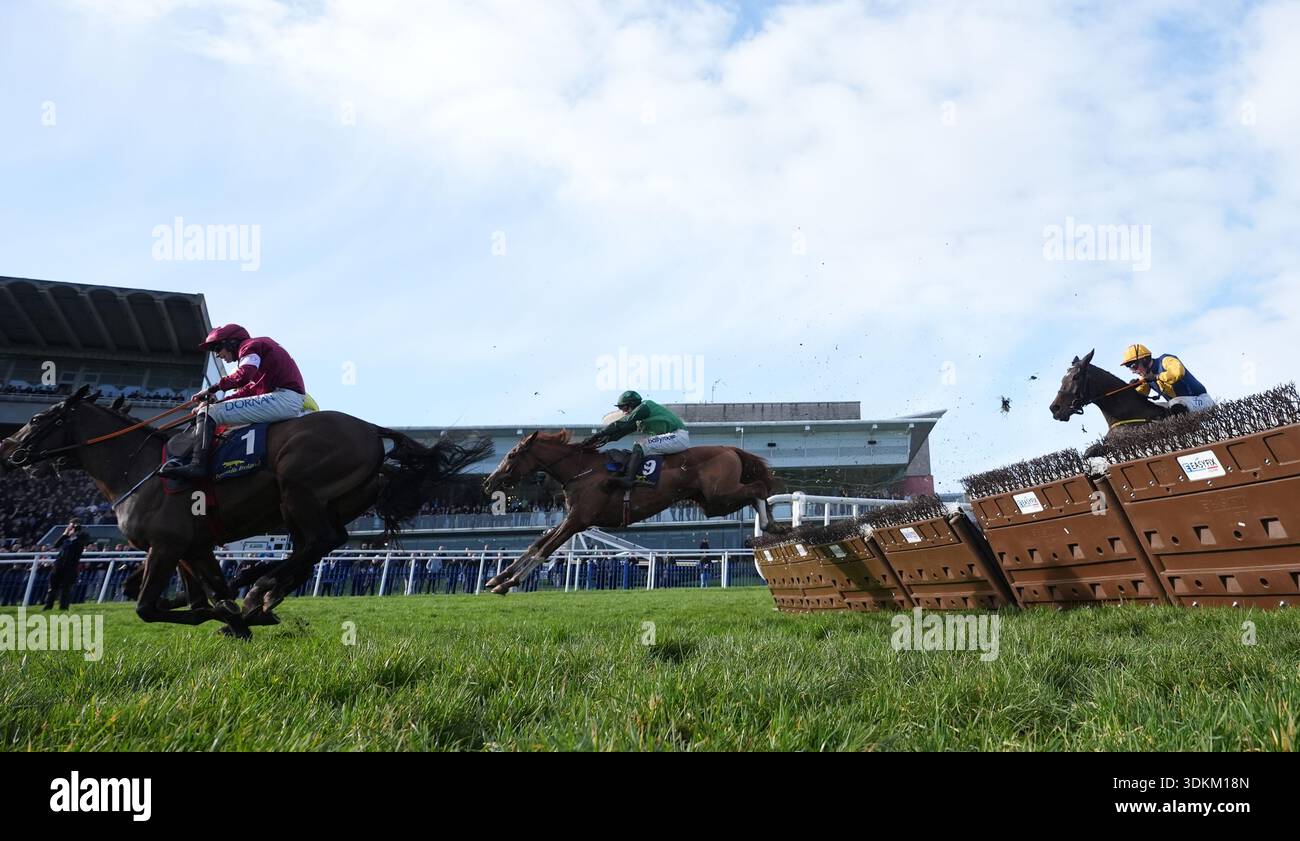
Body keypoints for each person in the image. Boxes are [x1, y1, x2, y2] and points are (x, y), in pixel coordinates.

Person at [160, 324, 317, 480]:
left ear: (231, 342)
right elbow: (248, 390)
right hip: (285, 398)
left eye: (217, 349)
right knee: (212, 409)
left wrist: (211, 390)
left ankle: (197, 465)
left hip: (284, 399)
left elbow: (243, 376)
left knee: (208, 413)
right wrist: (216, 402)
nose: (218, 355)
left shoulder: (249, 346)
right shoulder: (259, 350)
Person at [581, 391, 689, 489]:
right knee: (637, 450)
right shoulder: (639, 418)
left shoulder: (644, 407)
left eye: (624, 408)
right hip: (672, 437)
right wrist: (600, 441)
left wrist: (597, 435)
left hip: (678, 436)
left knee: (640, 445)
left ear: (631, 405)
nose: (623, 412)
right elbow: (621, 431)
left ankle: (629, 479)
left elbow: (620, 424)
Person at [1121, 343, 1215, 414]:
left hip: (1202, 401)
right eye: (1129, 368)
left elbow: (1177, 373)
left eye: (1133, 366)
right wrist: (1132, 389)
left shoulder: (1166, 360)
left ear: (1144, 360)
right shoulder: (1146, 376)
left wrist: (1156, 376)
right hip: (1181, 407)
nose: (1133, 371)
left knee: (1175, 403)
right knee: (1151, 408)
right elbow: (1142, 393)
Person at [43, 519, 88, 611]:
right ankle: (48, 606)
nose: (71, 528)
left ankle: (63, 608)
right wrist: (65, 534)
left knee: (66, 588)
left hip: (71, 566)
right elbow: (56, 545)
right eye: (70, 526)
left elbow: (83, 544)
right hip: (59, 565)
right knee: (52, 587)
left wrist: (75, 535)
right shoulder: (65, 537)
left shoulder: (82, 536)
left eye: (73, 526)